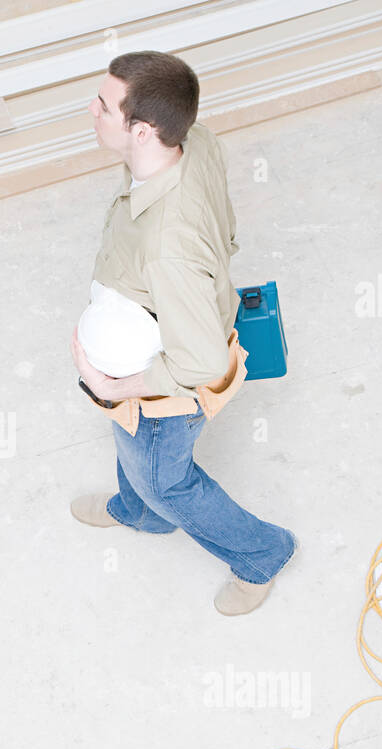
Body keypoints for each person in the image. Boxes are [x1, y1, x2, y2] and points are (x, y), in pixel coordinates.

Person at [70, 50, 297, 616]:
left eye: (102, 105)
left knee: (165, 480)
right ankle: (140, 512)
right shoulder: (195, 142)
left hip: (162, 391)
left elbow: (200, 366)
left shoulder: (168, 248)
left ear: (142, 130)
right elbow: (224, 226)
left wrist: (120, 387)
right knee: (135, 460)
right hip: (165, 313)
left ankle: (261, 553)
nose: (90, 110)